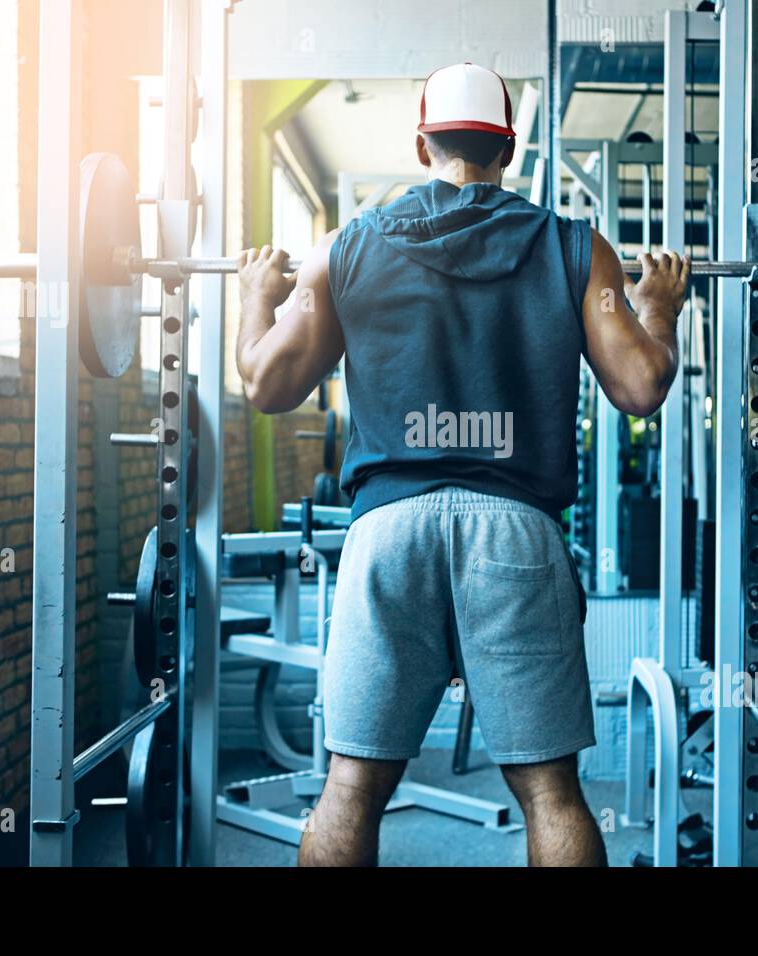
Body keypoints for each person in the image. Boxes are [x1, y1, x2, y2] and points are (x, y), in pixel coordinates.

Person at [234, 62, 690, 866]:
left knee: (348, 788)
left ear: (421, 144)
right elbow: (642, 384)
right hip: (516, 536)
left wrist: (254, 295)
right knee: (551, 792)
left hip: (387, 536)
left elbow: (265, 383)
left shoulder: (343, 250)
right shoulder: (578, 249)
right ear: (508, 149)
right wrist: (656, 306)